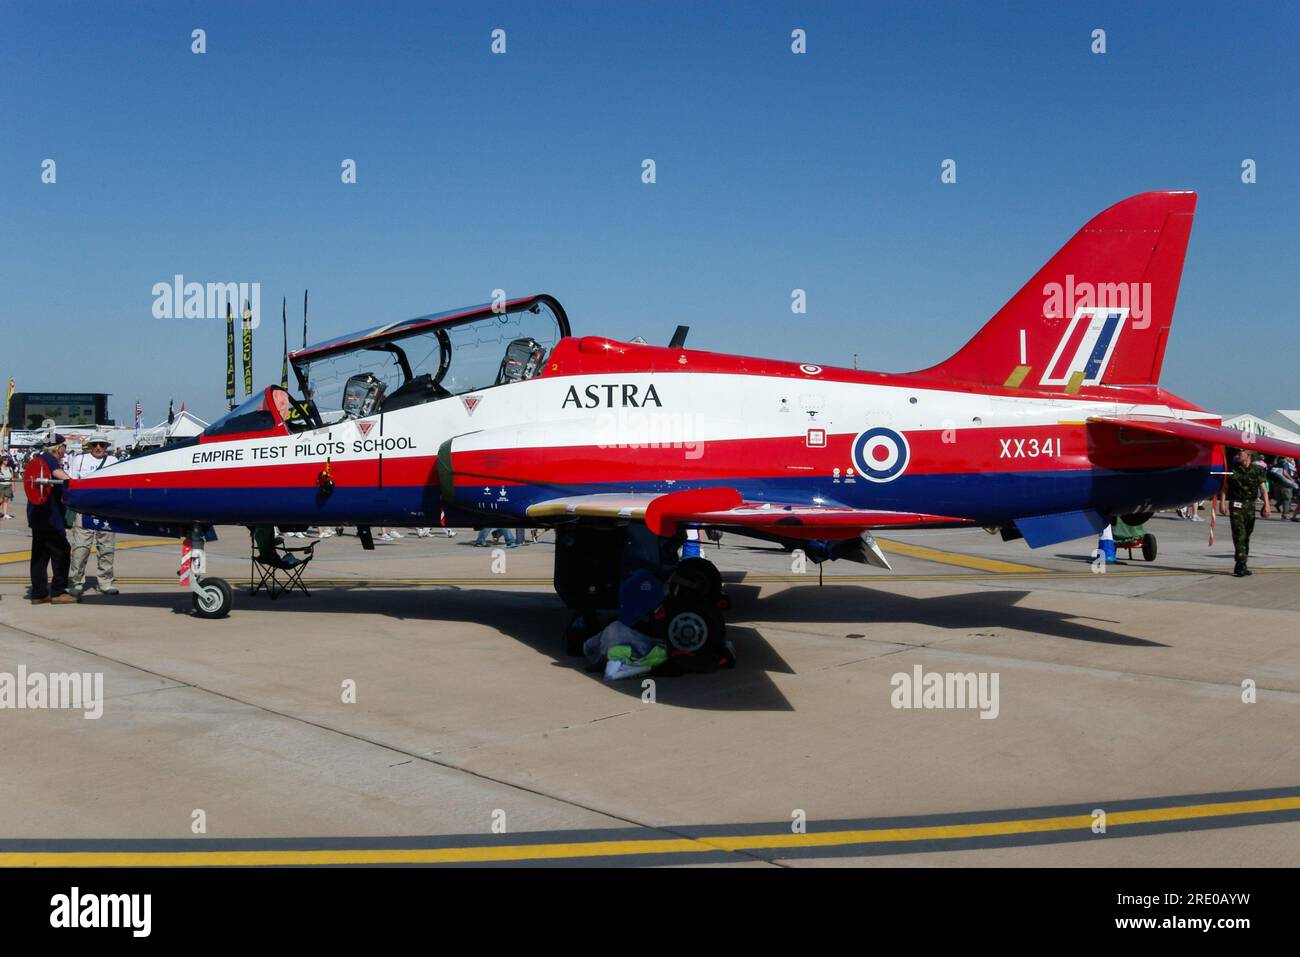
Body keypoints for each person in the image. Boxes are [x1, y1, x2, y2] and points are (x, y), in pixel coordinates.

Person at [66, 433, 119, 596]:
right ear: (89, 446)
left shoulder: (113, 461)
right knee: (80, 549)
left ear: (106, 447)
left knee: (106, 549)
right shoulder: (79, 460)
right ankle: (76, 581)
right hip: (84, 511)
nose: (98, 448)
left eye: (102, 445)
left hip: (106, 513)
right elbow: (72, 482)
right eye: (95, 444)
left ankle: (105, 582)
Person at [27, 436, 76, 604]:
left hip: (37, 516)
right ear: (58, 448)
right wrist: (75, 484)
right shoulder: (50, 460)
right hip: (50, 517)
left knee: (40, 556)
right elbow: (59, 475)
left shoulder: (38, 460)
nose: (64, 450)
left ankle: (39, 593)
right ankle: (58, 591)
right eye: (64, 446)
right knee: (62, 551)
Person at [1225, 447, 1270, 578]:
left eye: (1241, 452)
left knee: (1246, 535)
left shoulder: (1257, 470)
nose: (1238, 454)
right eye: (1237, 452)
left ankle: (1242, 563)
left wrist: (1266, 505)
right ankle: (1240, 565)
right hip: (1236, 504)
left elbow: (1263, 489)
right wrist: (1222, 502)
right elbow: (1225, 487)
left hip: (1250, 506)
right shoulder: (1233, 469)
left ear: (1248, 454)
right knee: (1239, 534)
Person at [0, 455, 14, 520]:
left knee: (6, 500)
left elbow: (12, 478)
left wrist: (13, 487)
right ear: (2, 460)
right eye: (5, 460)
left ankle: (5, 514)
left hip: (8, 485)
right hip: (1, 485)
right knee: (1, 500)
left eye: (7, 460)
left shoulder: (10, 468)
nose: (7, 461)